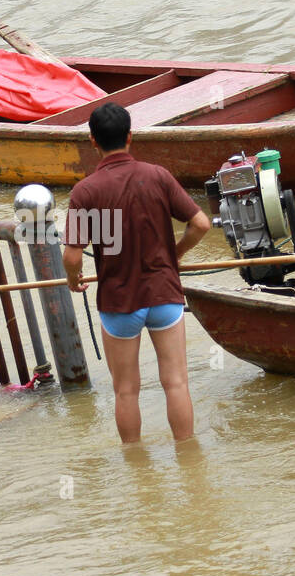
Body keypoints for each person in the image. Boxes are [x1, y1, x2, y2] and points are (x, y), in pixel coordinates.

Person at [62, 103, 212, 443]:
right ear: (130, 137)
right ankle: (187, 456)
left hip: (119, 302)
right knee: (175, 382)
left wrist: (74, 280)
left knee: (126, 392)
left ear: (93, 142)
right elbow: (200, 224)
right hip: (164, 295)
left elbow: (72, 257)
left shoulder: (86, 192)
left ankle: (136, 466)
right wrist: (174, 256)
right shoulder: (157, 176)